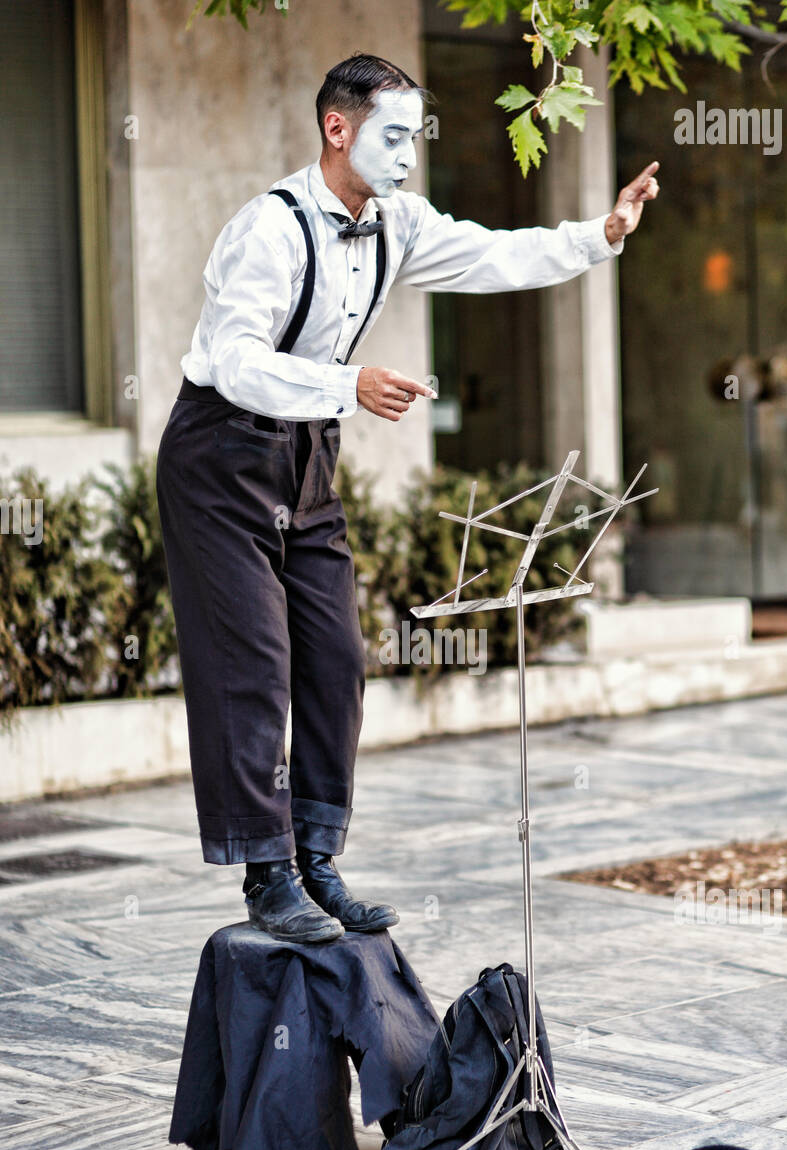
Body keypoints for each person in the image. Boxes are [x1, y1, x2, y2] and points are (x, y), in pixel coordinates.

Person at [156, 52, 659, 946]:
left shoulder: (399, 223)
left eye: (416, 138)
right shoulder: (268, 231)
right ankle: (265, 872)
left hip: (306, 455)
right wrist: (348, 385)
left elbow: (498, 255)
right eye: (392, 136)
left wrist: (603, 233)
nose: (407, 156)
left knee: (337, 657)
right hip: (219, 459)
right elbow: (235, 361)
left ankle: (316, 858)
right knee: (254, 666)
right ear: (337, 128)